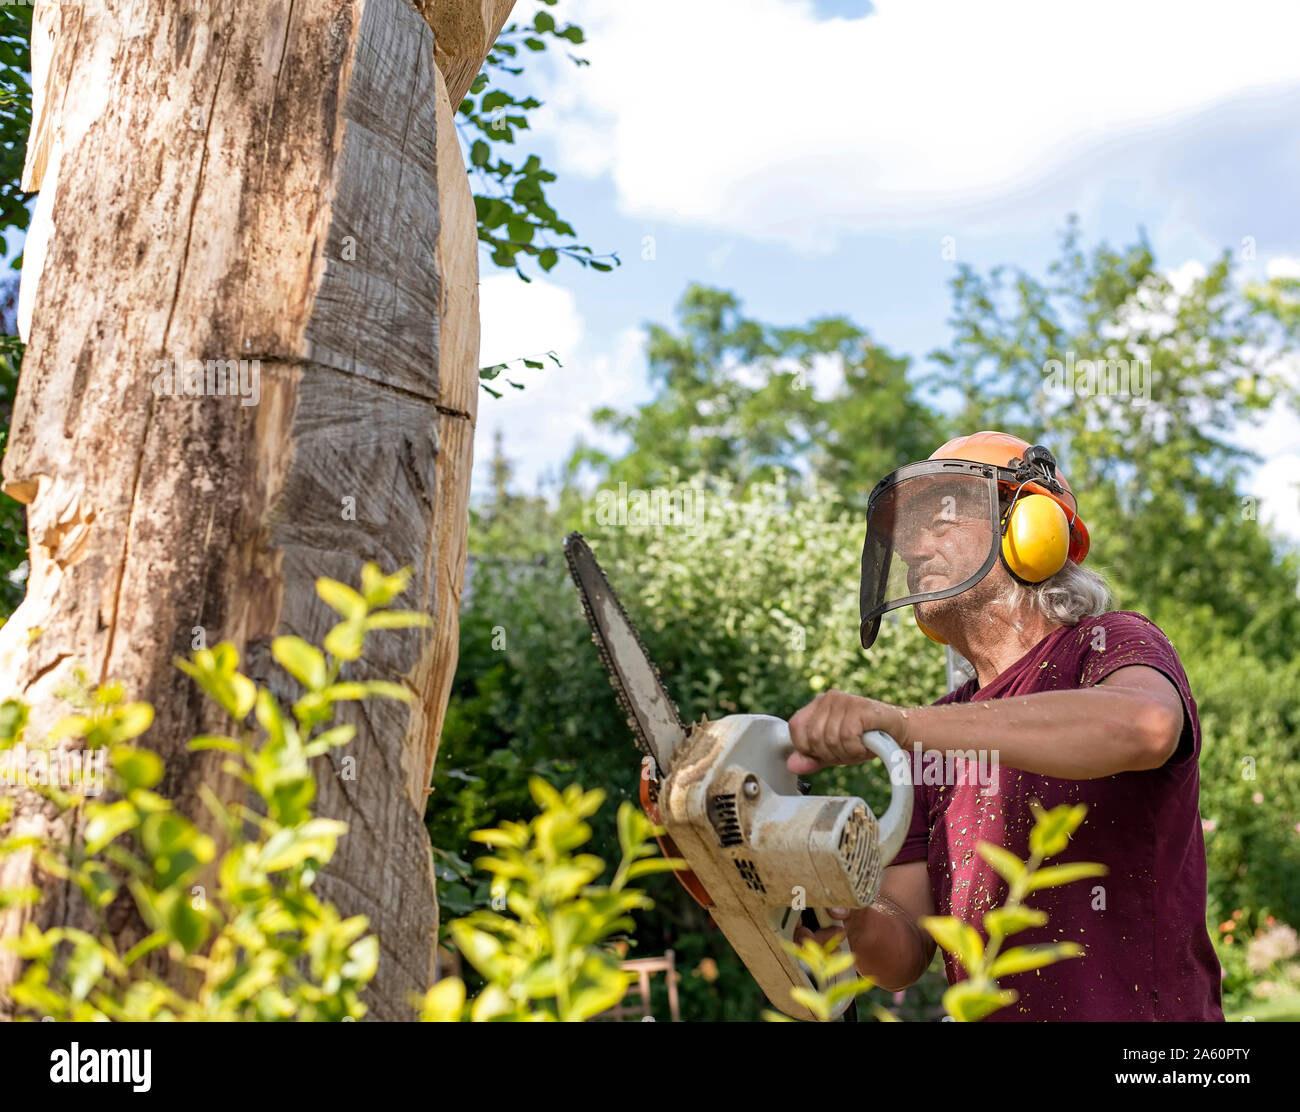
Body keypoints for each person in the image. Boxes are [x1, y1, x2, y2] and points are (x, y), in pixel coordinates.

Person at [789, 431, 1224, 1021]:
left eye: (940, 518)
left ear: (1029, 528)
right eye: (908, 529)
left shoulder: (1109, 643)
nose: (914, 547)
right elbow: (906, 952)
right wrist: (853, 913)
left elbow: (1145, 727)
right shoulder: (936, 729)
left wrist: (901, 724)